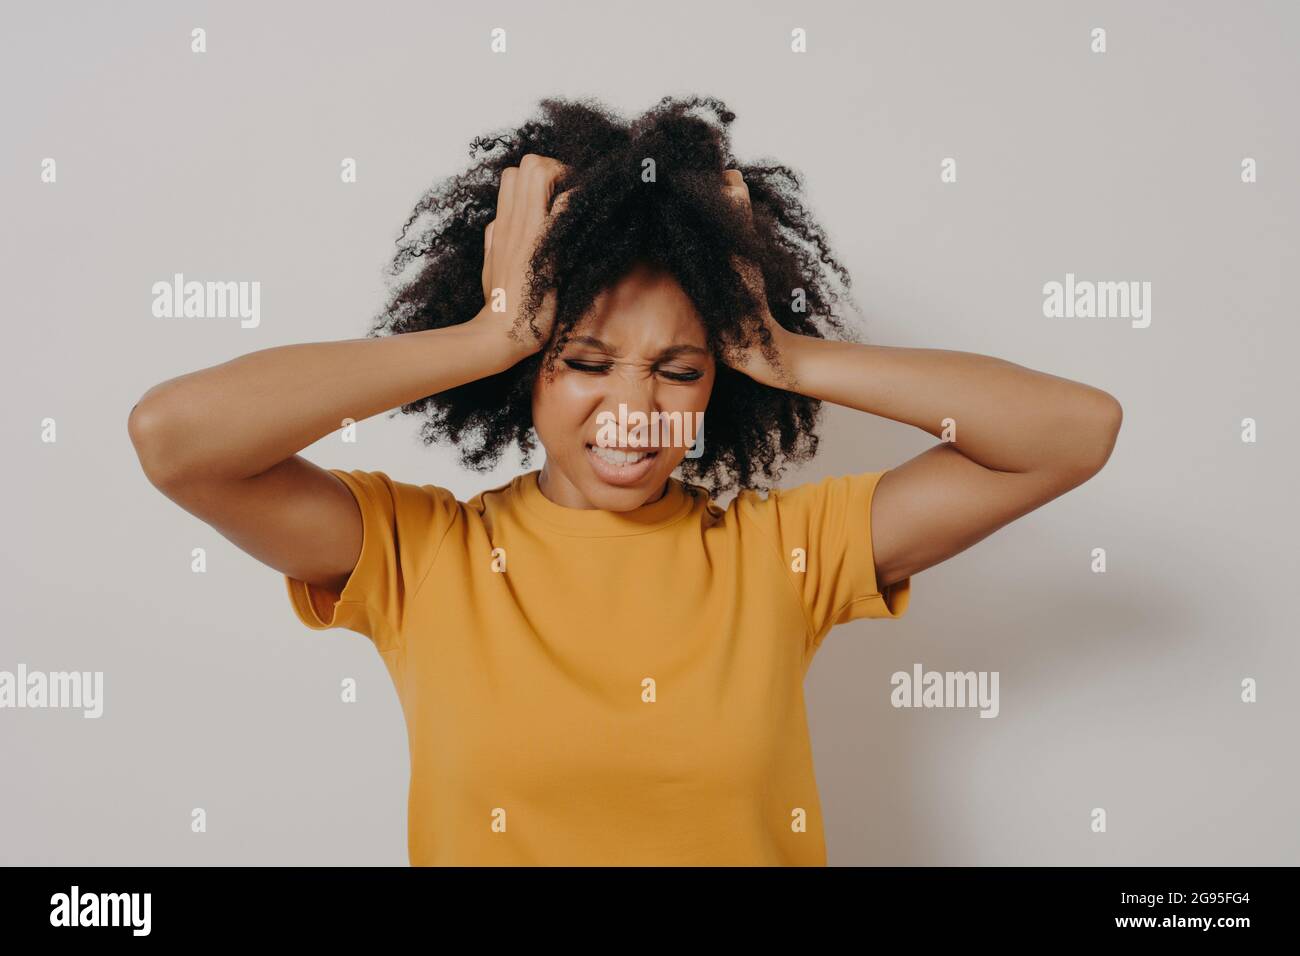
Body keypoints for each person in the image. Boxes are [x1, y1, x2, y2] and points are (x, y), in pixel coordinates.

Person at [127, 95, 1121, 866]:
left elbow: (1072, 433)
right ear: (527, 376)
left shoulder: (784, 554)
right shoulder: (422, 553)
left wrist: (783, 351)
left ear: (717, 383)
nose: (632, 406)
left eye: (679, 369)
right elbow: (175, 437)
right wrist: (487, 332)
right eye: (584, 361)